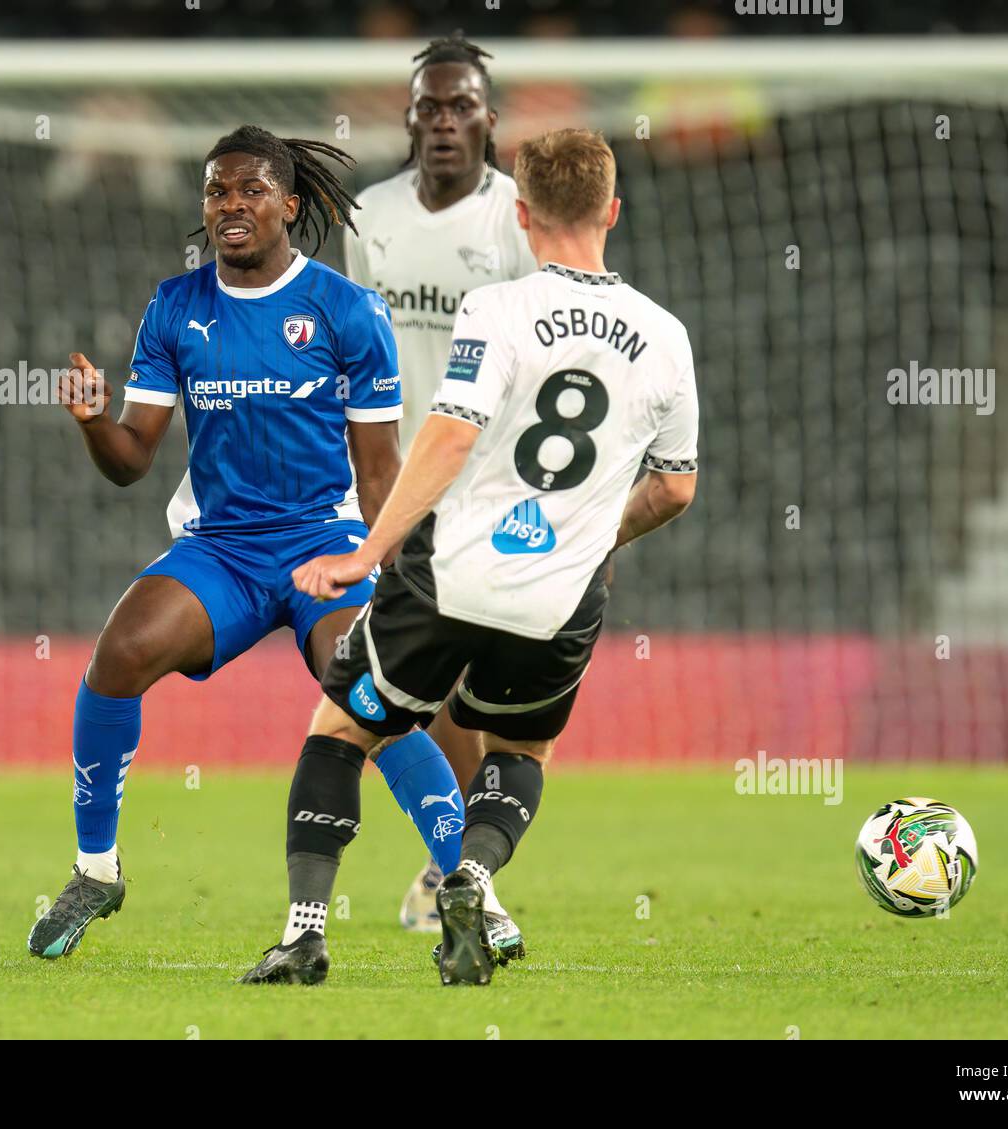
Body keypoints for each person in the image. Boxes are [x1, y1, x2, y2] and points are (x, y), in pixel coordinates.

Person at [239, 128, 698, 986]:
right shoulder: (667, 336)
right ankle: (473, 880)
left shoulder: (497, 309)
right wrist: (595, 535)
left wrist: (365, 553)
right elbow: (675, 489)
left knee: (341, 729)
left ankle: (305, 935)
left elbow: (450, 435)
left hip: (449, 576)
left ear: (521, 215)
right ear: (614, 211)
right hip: (561, 598)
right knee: (517, 755)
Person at [28, 126, 463, 961]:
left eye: (251, 190)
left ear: (289, 206)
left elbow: (379, 472)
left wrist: (396, 564)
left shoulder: (347, 309)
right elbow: (132, 461)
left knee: (371, 691)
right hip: (222, 548)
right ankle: (96, 869)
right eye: (217, 192)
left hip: (324, 539)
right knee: (117, 656)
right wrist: (92, 420)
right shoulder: (177, 306)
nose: (231, 205)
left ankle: (466, 884)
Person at [344, 33, 537, 950]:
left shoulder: (518, 223)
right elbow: (349, 354)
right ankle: (458, 862)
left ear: (490, 122)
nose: (447, 120)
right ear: (410, 116)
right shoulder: (367, 218)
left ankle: (460, 861)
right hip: (391, 490)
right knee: (384, 692)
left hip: (493, 489)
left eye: (465, 106)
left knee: (458, 700)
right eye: (432, 105)